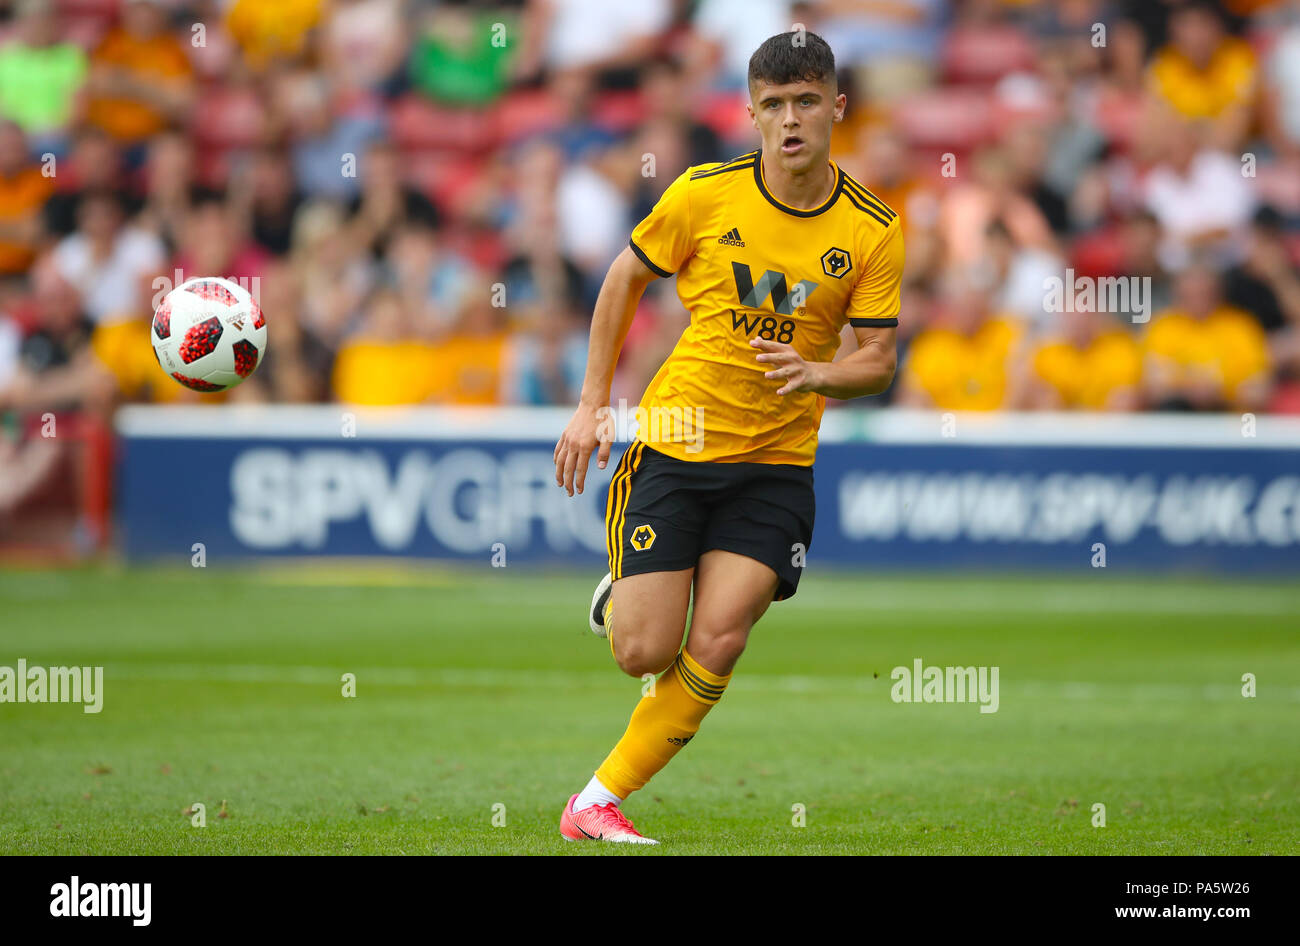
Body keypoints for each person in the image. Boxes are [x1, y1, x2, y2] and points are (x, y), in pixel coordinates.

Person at [551, 31, 903, 844]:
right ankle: (626, 600)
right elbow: (623, 277)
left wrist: (820, 376)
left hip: (776, 464)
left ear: (836, 109)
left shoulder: (875, 228)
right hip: (675, 442)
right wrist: (592, 402)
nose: (791, 120)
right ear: (750, 114)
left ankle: (596, 800)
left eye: (807, 101)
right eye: (774, 105)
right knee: (644, 651)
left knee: (722, 633)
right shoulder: (704, 194)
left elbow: (878, 361)